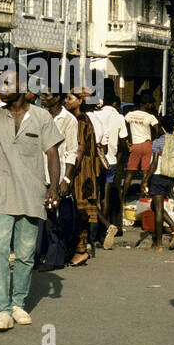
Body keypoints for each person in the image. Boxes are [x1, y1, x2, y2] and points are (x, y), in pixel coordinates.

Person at [0, 69, 63, 332]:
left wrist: (53, 187)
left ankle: (18, 303)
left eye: (8, 83)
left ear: (23, 86)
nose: (3, 88)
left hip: (31, 193)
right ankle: (2, 309)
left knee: (26, 254)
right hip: (0, 194)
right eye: (1, 83)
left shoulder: (41, 117)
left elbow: (52, 154)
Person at [35, 88, 78, 270]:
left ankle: (55, 259)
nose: (43, 98)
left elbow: (71, 152)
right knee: (38, 219)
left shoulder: (68, 120)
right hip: (39, 174)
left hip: (57, 175)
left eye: (47, 95)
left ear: (58, 97)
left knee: (55, 219)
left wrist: (65, 180)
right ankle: (36, 257)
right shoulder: (41, 117)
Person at [65, 88, 105, 267]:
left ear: (80, 101)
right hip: (87, 169)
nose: (66, 101)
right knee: (80, 210)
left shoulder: (80, 120)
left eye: (70, 98)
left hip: (82, 170)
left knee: (80, 210)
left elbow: (79, 149)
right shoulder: (85, 119)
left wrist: (69, 175)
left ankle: (81, 250)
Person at [88, 90, 128, 249]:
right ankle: (102, 233)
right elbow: (124, 142)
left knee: (92, 196)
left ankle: (96, 231)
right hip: (111, 161)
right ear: (116, 104)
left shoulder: (95, 116)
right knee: (105, 197)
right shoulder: (119, 117)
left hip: (96, 161)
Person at [141, 115, 174, 250]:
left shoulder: (157, 142)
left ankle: (158, 244)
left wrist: (145, 180)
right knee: (155, 206)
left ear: (162, 127)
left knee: (158, 210)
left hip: (157, 177)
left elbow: (154, 163)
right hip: (169, 178)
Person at [120, 91, 159, 206]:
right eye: (151, 104)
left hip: (135, 145)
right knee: (145, 173)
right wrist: (154, 141)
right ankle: (142, 199)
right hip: (147, 145)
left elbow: (124, 126)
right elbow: (157, 129)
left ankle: (123, 199)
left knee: (129, 174)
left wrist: (128, 141)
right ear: (146, 104)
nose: (152, 106)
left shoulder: (130, 115)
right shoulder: (150, 116)